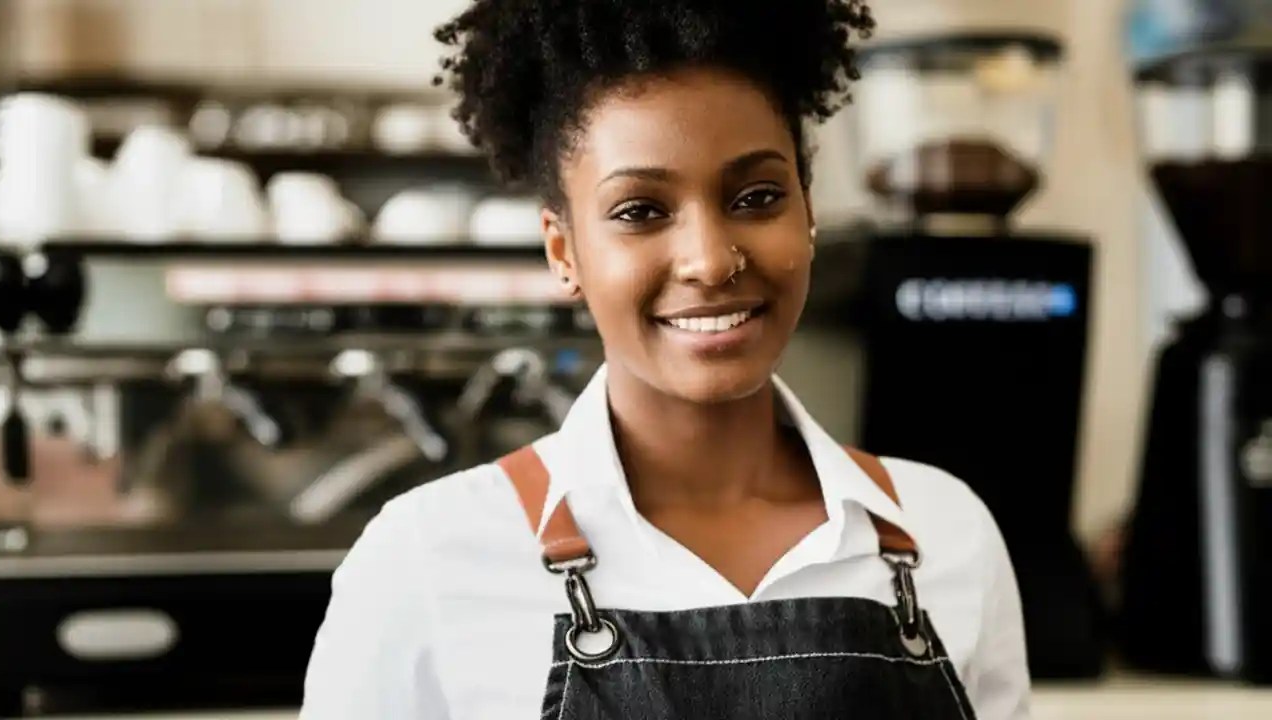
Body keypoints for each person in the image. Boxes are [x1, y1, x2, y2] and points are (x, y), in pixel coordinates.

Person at [300, 0, 1030, 717]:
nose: (711, 261)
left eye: (757, 196)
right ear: (564, 251)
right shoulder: (424, 560)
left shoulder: (947, 533)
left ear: (808, 214)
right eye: (640, 211)